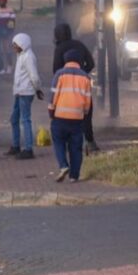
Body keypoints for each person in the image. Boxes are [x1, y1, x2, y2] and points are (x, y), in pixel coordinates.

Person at [51, 22, 99, 153]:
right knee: (86, 114)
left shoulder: (59, 48)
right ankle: (90, 142)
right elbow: (91, 63)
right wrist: (82, 72)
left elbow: (55, 70)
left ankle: (69, 143)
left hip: (65, 87)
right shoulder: (79, 45)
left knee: (65, 115)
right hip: (82, 84)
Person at [49, 49, 93, 182]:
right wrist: (84, 113)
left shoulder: (59, 74)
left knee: (58, 142)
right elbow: (87, 100)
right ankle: (74, 176)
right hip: (77, 119)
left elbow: (53, 95)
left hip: (60, 117)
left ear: (66, 60)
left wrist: (51, 111)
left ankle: (63, 165)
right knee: (76, 147)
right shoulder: (85, 77)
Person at [8, 33, 43, 159]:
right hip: (20, 91)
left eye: (15, 45)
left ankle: (28, 149)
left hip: (25, 92)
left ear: (22, 44)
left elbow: (34, 76)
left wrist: (38, 89)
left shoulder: (28, 57)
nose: (14, 47)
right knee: (14, 119)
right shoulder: (21, 55)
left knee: (25, 119)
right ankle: (16, 146)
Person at [0, 0, 17, 73]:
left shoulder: (10, 10)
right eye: (0, 1)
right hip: (0, 34)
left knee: (8, 50)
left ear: (5, 2)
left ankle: (9, 66)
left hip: (7, 33)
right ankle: (2, 67)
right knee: (1, 51)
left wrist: (9, 33)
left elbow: (12, 23)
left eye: (2, 1)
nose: (1, 2)